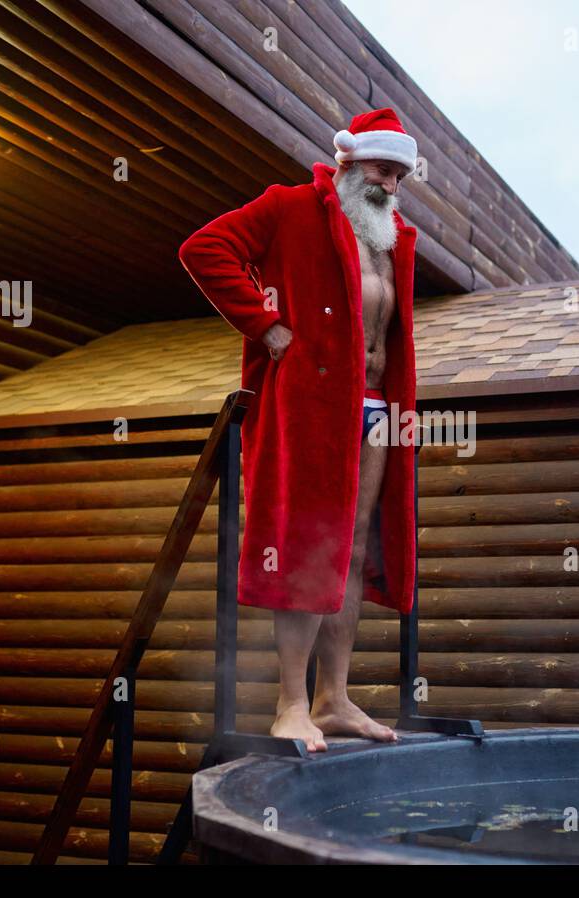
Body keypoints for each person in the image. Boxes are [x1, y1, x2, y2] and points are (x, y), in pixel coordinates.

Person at [179, 108, 421, 752]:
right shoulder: (289, 206)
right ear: (346, 159)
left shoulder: (391, 237)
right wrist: (266, 327)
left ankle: (333, 699)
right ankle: (290, 704)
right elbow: (204, 249)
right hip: (312, 409)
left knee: (355, 547)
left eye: (401, 174)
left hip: (375, 410)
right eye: (382, 169)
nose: (391, 185)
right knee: (310, 543)